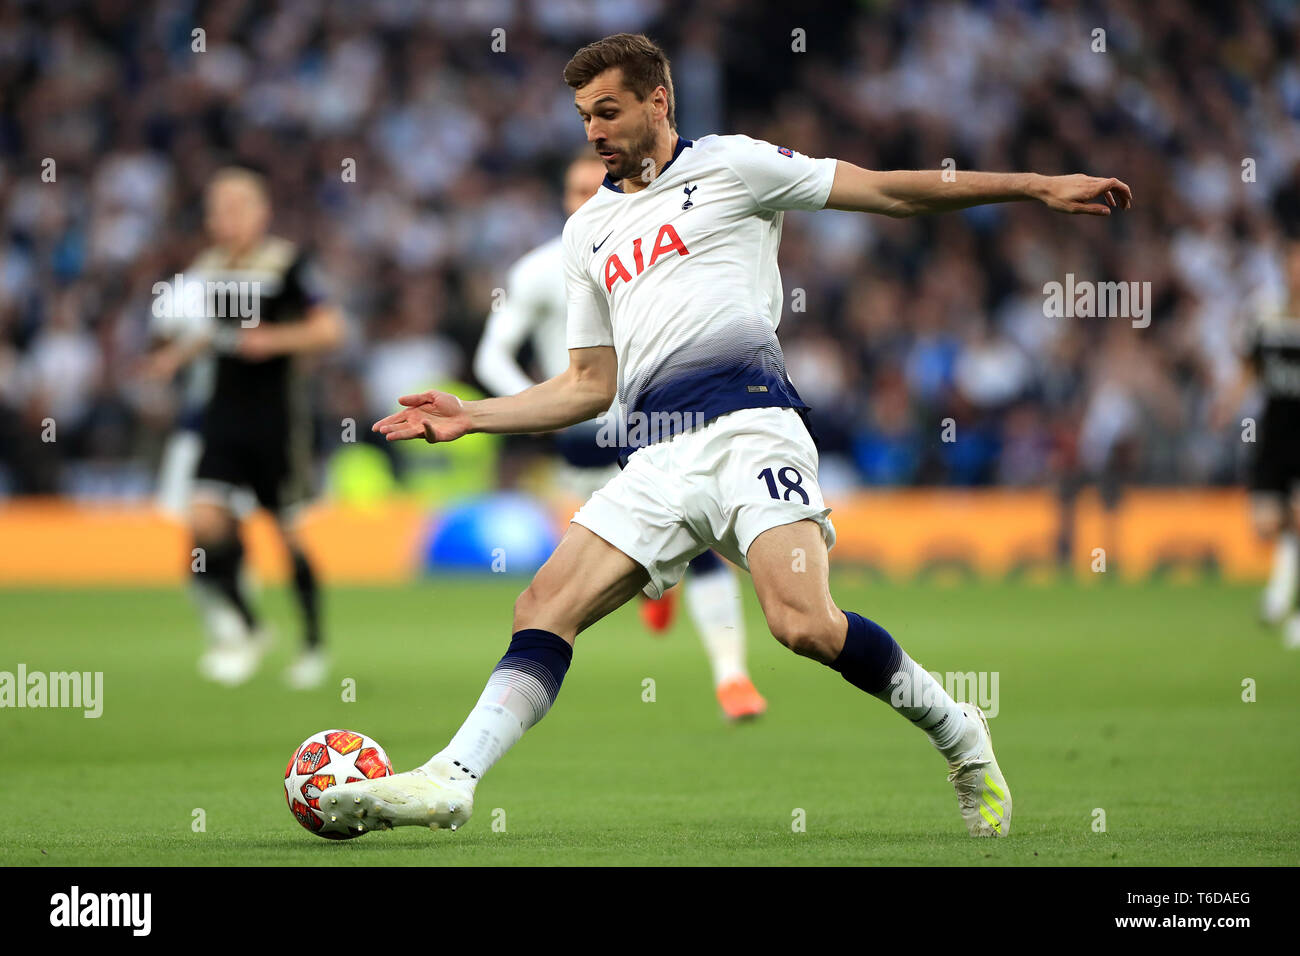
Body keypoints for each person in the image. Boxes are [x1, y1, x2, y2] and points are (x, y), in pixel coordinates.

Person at [323, 33, 1131, 838]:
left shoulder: (734, 166)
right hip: (655, 456)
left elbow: (889, 192)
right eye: (582, 117)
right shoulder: (587, 233)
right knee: (541, 606)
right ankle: (452, 779)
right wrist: (473, 417)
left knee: (803, 624)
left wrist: (1033, 185)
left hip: (750, 429)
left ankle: (960, 733)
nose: (594, 130)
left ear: (658, 101)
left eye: (608, 111)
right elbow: (588, 386)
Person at [473, 150, 767, 720]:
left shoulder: (658, 256)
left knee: (702, 539)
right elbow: (491, 356)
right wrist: (542, 410)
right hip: (584, 435)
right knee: (621, 545)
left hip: (655, 423)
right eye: (575, 191)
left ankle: (733, 678)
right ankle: (657, 587)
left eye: (597, 187)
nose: (588, 200)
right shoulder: (540, 270)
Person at [144, 167, 345, 687]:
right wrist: (176, 358)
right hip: (222, 415)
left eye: (236, 206)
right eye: (217, 207)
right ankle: (252, 626)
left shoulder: (285, 264)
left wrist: (273, 341)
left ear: (261, 212)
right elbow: (218, 333)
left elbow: (329, 329)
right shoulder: (209, 268)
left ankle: (313, 645)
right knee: (205, 525)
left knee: (287, 534)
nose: (225, 217)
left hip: (275, 417)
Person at [1216, 237, 1300, 647]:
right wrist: (1227, 404)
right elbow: (1249, 369)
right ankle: (1284, 581)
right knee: (1269, 523)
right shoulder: (1265, 313)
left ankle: (1289, 604)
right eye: (1293, 262)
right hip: (1274, 432)